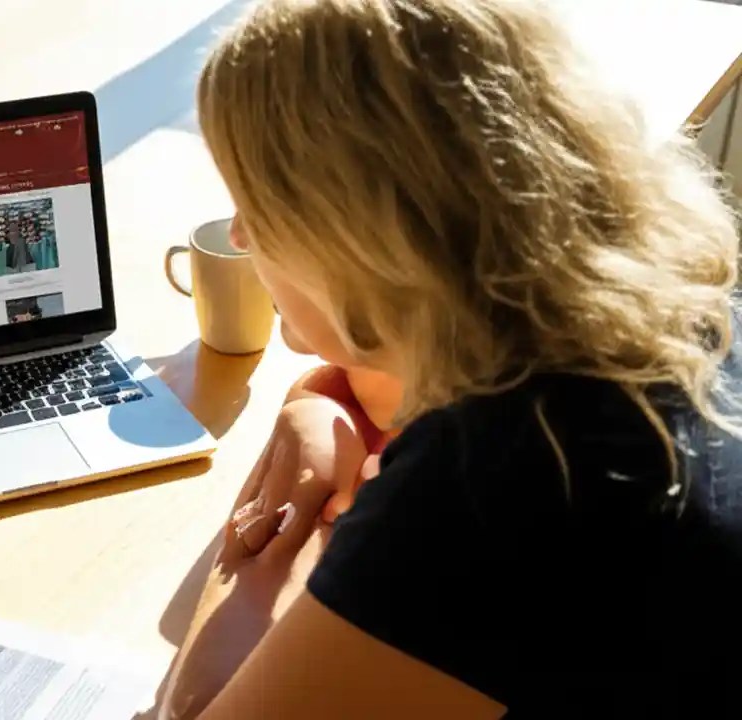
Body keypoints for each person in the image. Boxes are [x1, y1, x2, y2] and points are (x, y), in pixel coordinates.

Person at [158, 0, 742, 717]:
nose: (242, 237)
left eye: (258, 205)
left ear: (354, 234)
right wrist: (316, 398)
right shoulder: (693, 320)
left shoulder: (491, 488)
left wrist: (256, 558)